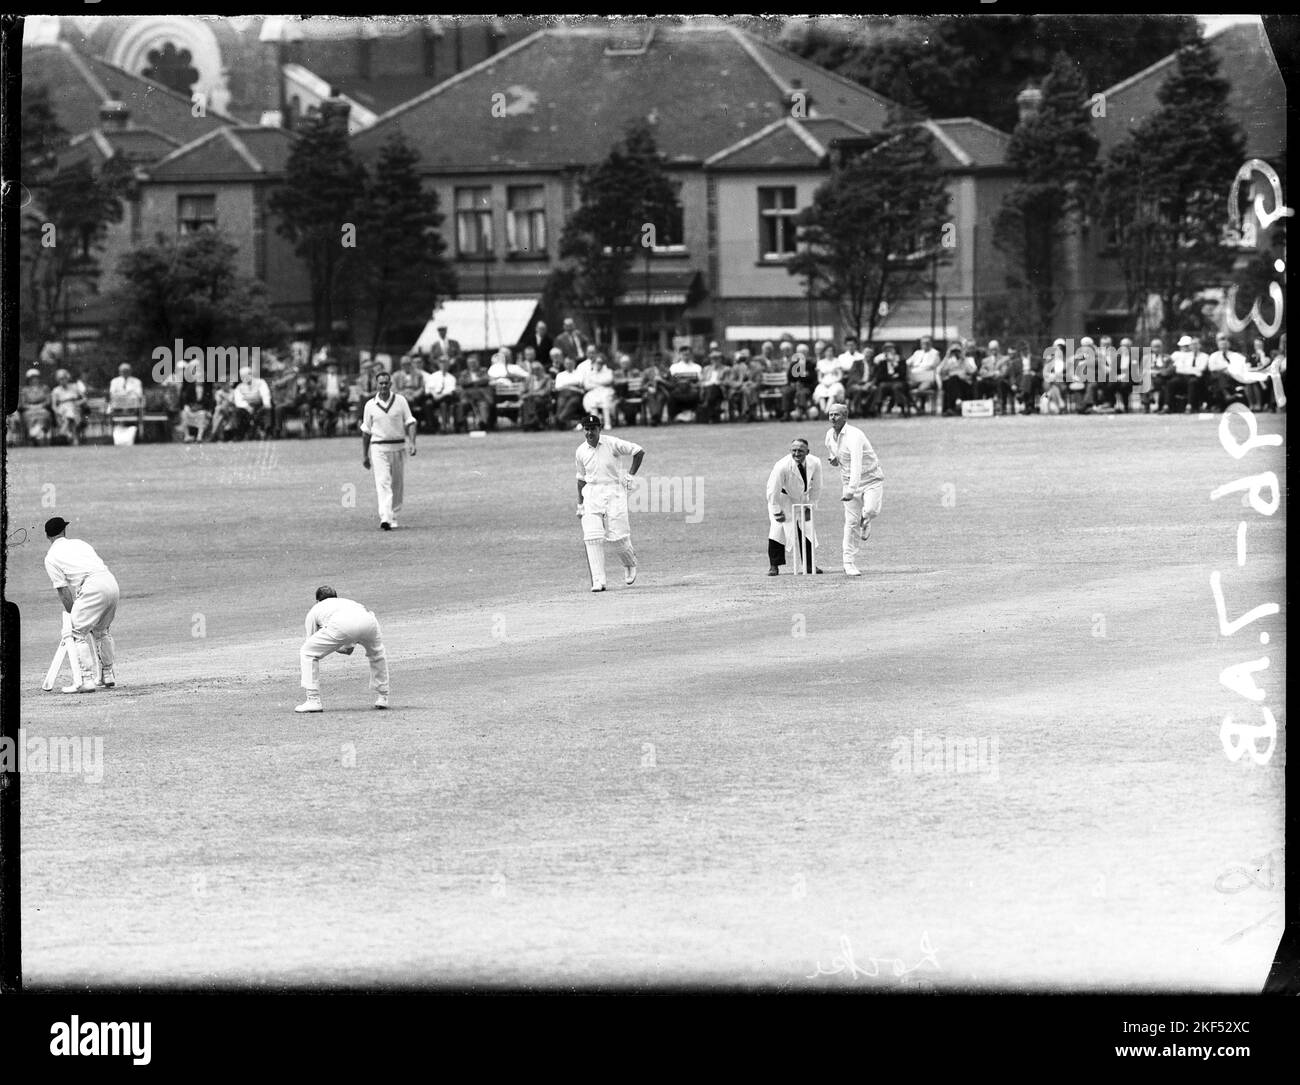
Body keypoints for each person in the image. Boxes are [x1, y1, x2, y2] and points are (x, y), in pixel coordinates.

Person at [43, 516, 119, 693]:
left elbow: (64, 592)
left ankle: (86, 679)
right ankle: (107, 675)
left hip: (92, 587)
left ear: (47, 536)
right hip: (111, 582)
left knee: (76, 633)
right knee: (102, 631)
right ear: (64, 530)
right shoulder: (80, 543)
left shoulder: (51, 557)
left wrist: (73, 616)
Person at [574, 413, 644, 592]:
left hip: (614, 491)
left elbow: (638, 451)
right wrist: (580, 504)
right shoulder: (581, 451)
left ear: (599, 429)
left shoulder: (612, 443)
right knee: (592, 537)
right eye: (587, 429)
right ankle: (598, 580)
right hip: (592, 492)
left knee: (618, 536)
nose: (590, 433)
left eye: (593, 429)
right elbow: (581, 478)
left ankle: (629, 563)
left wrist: (630, 475)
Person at [296, 585, 389, 713]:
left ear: (317, 600)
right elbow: (348, 649)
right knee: (377, 654)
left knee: (307, 653)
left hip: (341, 625)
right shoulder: (347, 602)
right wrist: (337, 644)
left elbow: (311, 644)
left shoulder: (316, 609)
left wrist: (331, 645)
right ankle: (383, 696)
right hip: (369, 620)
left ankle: (313, 700)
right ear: (336, 597)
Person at [824, 403, 883, 577]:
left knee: (871, 509)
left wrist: (851, 491)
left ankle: (867, 518)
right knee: (850, 523)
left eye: (836, 415)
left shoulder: (855, 436)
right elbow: (832, 452)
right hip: (848, 481)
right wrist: (833, 459)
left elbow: (857, 463)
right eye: (830, 414)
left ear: (845, 417)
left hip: (871, 478)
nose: (833, 418)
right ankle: (848, 563)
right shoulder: (829, 435)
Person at [360, 370, 417, 531]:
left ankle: (393, 514)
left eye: (386, 383)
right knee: (383, 481)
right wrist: (365, 455)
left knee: (397, 484)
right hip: (378, 447)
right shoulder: (370, 405)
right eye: (380, 383)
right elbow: (366, 431)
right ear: (376, 385)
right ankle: (385, 517)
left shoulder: (400, 401)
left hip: (398, 447)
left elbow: (411, 422)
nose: (383, 386)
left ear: (391, 384)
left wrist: (412, 443)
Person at [766, 437, 824, 575]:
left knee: (807, 529)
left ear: (807, 452)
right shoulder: (782, 466)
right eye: (794, 450)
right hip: (782, 499)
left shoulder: (815, 462)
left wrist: (811, 505)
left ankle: (809, 565)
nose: (797, 454)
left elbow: (817, 486)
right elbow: (772, 490)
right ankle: (774, 565)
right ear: (790, 451)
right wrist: (776, 510)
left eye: (801, 451)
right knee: (777, 530)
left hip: (802, 499)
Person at [233, 365, 273, 439]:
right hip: (246, 407)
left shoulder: (260, 382)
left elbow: (265, 394)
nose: (243, 378)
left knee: (267, 409)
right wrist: (247, 407)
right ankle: (239, 435)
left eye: (245, 375)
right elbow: (238, 401)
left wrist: (266, 403)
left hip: (259, 406)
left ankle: (268, 433)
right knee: (237, 411)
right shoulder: (239, 387)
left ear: (250, 374)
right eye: (242, 376)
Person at [423, 355, 459, 433]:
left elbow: (450, 391)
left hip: (445, 398)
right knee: (427, 404)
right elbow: (430, 388)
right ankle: (432, 426)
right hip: (433, 397)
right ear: (438, 364)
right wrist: (435, 395)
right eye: (441, 362)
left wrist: (439, 396)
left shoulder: (452, 378)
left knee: (444, 403)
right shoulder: (433, 376)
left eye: (445, 362)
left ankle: (444, 426)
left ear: (449, 364)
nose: (443, 364)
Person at [581, 352, 617, 428]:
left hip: (606, 391)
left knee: (605, 402)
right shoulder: (589, 373)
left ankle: (607, 424)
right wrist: (600, 383)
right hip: (593, 392)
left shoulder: (608, 371)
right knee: (592, 403)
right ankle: (595, 425)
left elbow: (609, 380)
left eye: (600, 363)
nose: (598, 364)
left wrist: (595, 383)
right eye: (596, 362)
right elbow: (587, 385)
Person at [50, 369, 85, 445]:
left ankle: (65, 432)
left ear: (67, 378)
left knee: (71, 412)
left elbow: (84, 399)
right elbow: (53, 406)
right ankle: (74, 438)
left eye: (64, 378)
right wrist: (58, 413)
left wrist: (78, 403)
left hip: (75, 408)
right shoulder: (55, 390)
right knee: (70, 413)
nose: (62, 380)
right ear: (57, 380)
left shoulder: (75, 387)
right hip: (62, 411)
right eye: (60, 379)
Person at [520, 360, 554, 430]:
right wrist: (523, 394)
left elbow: (546, 391)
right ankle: (530, 423)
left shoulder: (547, 378)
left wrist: (532, 394)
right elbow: (523, 389)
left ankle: (533, 423)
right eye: (534, 369)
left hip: (544, 398)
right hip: (530, 399)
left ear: (541, 369)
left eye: (537, 369)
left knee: (535, 401)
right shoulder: (529, 378)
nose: (535, 371)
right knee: (526, 402)